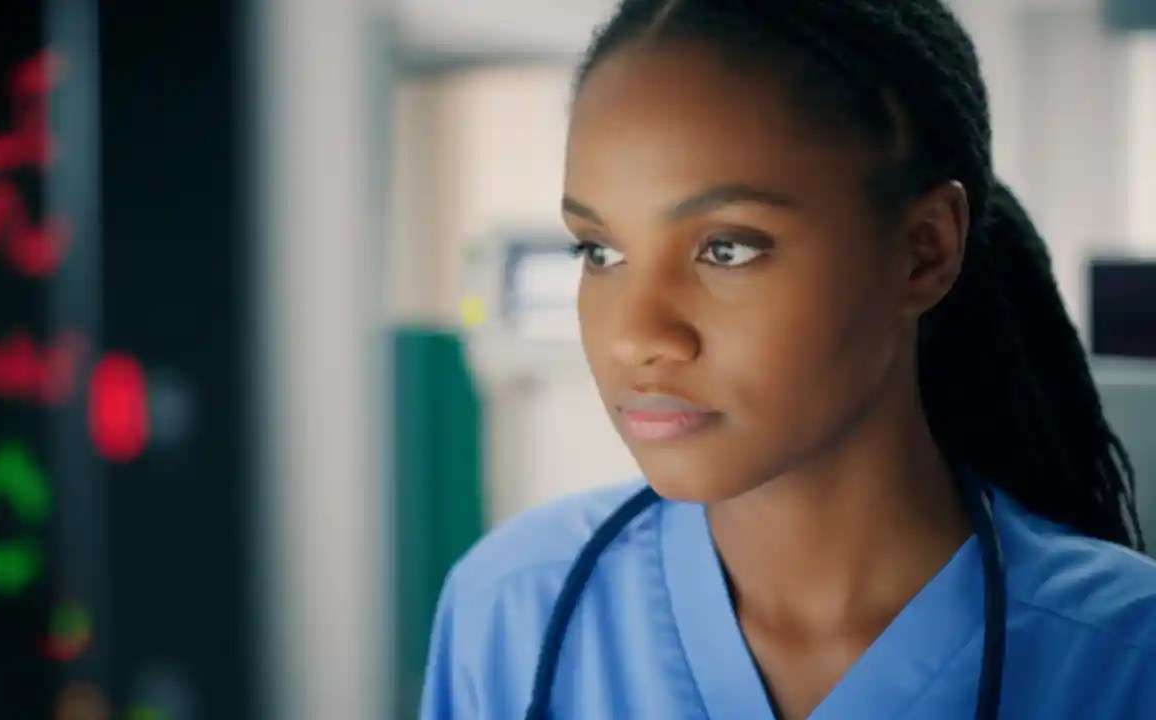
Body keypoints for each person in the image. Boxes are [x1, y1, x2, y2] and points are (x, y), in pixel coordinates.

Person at [420, 1, 1156, 718]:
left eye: (727, 248)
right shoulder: (516, 610)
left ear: (923, 250)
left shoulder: (1127, 658)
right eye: (601, 250)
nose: (636, 336)